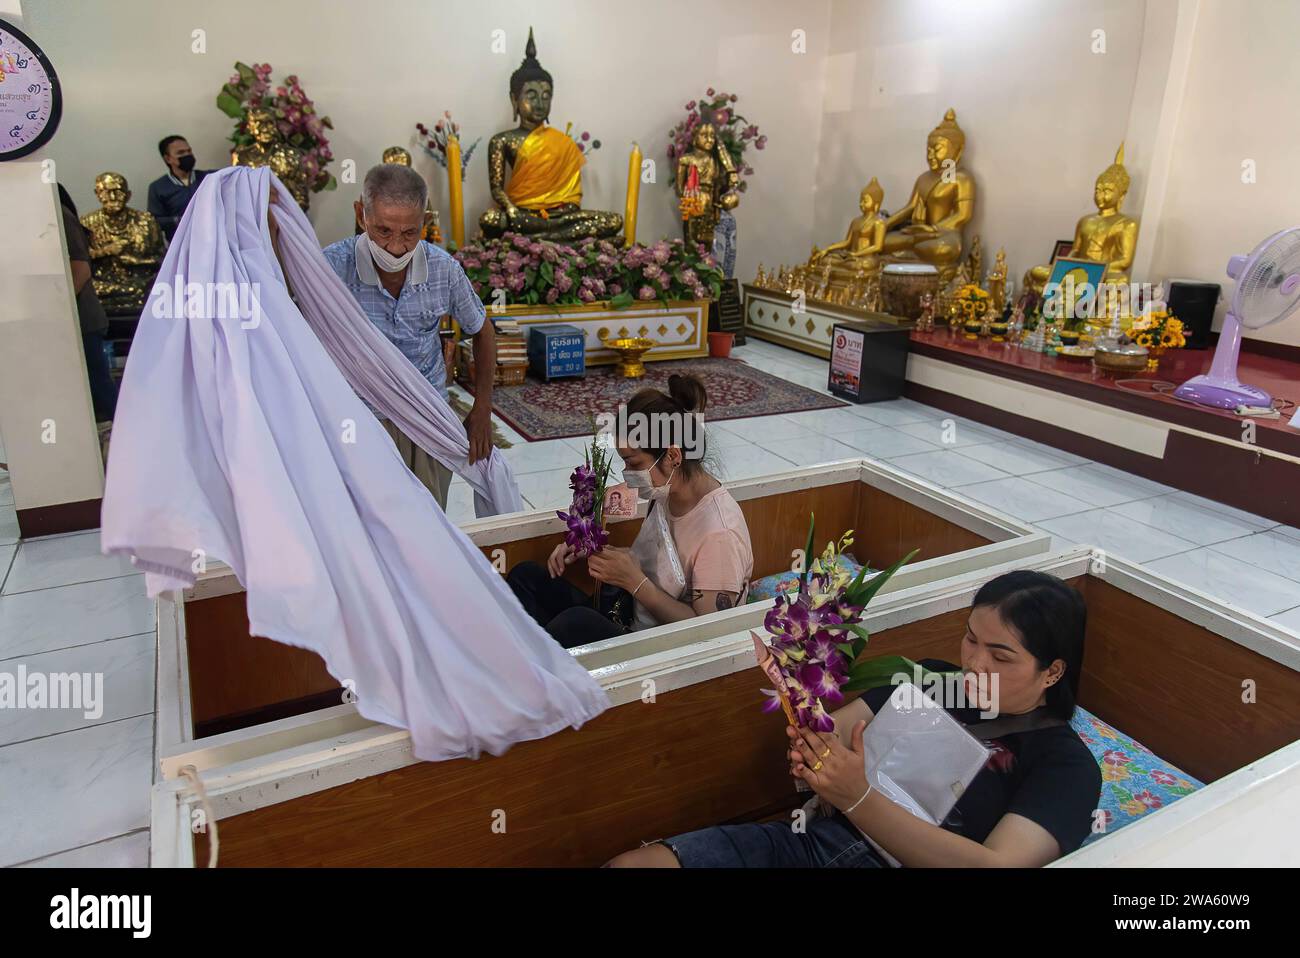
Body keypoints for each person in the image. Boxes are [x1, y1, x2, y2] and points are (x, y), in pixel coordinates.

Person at [607, 570, 1102, 867]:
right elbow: (837, 731)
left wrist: (858, 796)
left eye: (1001, 655)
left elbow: (995, 866)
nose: (974, 663)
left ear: (1052, 671)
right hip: (816, 842)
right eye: (971, 639)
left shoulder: (1066, 767)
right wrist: (811, 745)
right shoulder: (931, 679)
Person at [506, 374, 753, 649]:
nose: (629, 473)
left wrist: (636, 583)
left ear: (673, 456)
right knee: (525, 577)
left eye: (633, 463)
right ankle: (534, 658)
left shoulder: (719, 534)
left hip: (664, 647)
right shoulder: (667, 490)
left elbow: (707, 633)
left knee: (574, 623)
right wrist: (590, 546)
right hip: (631, 613)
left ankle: (530, 668)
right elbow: (662, 567)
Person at [311, 163, 495, 508]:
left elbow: (483, 331)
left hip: (425, 415)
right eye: (383, 230)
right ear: (360, 214)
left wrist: (482, 409)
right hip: (359, 416)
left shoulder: (443, 270)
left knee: (426, 520)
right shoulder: (331, 268)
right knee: (366, 523)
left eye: (410, 233)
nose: (396, 247)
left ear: (425, 222)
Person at [58, 184, 117, 457]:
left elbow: (79, 269)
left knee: (99, 390)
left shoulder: (61, 216)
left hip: (80, 320)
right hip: (60, 324)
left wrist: (56, 306)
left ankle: (122, 450)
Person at [147, 135, 211, 240]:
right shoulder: (158, 187)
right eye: (181, 153)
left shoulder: (208, 178)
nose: (187, 155)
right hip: (181, 244)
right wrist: (179, 220)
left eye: (189, 151)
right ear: (168, 159)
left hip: (211, 239)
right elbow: (154, 221)